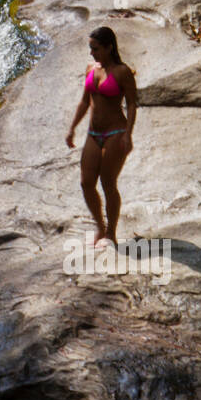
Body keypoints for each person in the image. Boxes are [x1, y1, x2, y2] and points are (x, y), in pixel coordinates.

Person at [65, 26, 137, 246]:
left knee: (108, 183)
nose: (92, 53)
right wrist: (72, 128)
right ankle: (100, 227)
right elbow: (85, 101)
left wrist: (128, 134)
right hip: (93, 133)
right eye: (90, 48)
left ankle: (111, 234)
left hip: (116, 132)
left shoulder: (122, 72)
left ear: (109, 47)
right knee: (86, 183)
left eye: (95, 49)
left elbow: (132, 104)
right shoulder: (90, 68)